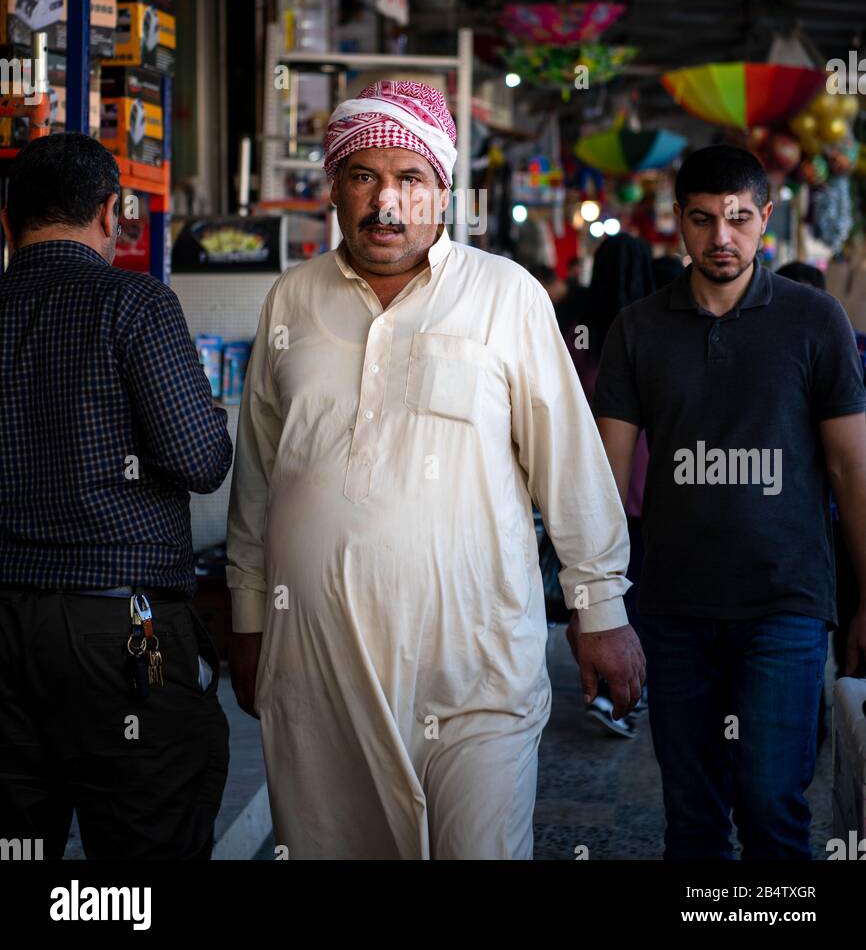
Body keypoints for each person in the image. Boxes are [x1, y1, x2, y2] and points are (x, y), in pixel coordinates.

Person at [227, 80, 644, 861]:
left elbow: (571, 462)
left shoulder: (505, 297)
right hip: (319, 669)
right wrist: (249, 619)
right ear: (335, 189)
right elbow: (260, 472)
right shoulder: (292, 301)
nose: (386, 202)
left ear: (443, 194)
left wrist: (602, 608)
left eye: (409, 179)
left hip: (475, 668)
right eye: (364, 176)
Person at [593, 145, 866, 860]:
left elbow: (850, 468)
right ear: (677, 222)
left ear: (765, 219)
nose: (723, 237)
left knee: (773, 809)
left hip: (787, 604)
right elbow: (606, 481)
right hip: (674, 609)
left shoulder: (815, 321)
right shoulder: (639, 328)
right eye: (705, 219)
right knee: (692, 820)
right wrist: (599, 607)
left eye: (740, 218)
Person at [0, 133, 233, 861]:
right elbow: (201, 461)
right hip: (115, 629)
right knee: (146, 844)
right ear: (110, 212)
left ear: (7, 222)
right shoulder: (133, 304)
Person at [567, 233, 655, 738]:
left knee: (595, 579)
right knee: (635, 584)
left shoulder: (579, 322)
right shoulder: (652, 320)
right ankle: (628, 690)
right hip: (647, 475)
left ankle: (605, 688)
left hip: (590, 475)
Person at [777, 261, 863, 688]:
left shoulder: (853, 348)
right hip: (796, 524)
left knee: (849, 630)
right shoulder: (763, 355)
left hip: (843, 515)